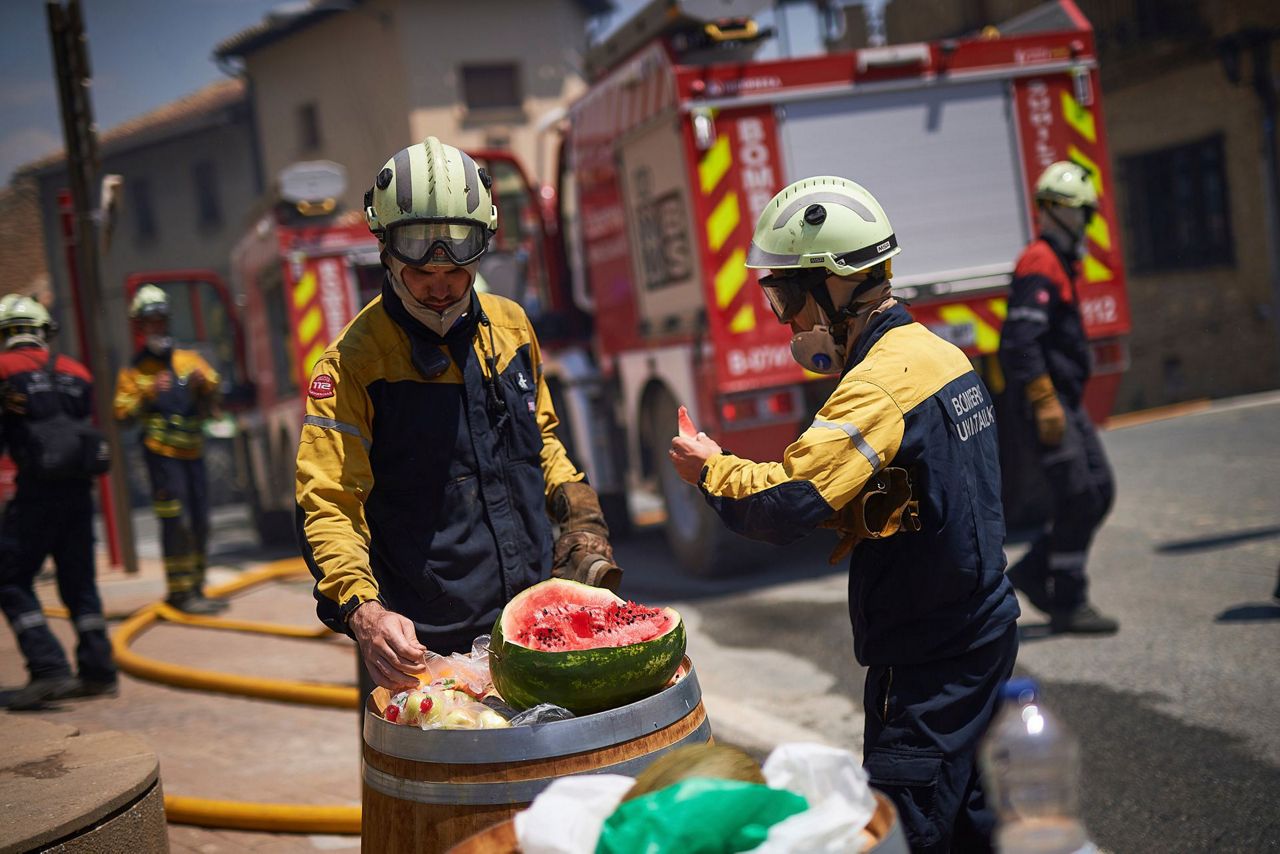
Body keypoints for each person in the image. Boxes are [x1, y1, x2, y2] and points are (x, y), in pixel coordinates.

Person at [669, 177, 1019, 852]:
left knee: (893, 831)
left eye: (788, 296)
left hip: (929, 661)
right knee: (973, 821)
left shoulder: (877, 385)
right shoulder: (940, 354)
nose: (786, 320)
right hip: (982, 633)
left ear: (837, 286)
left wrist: (710, 468)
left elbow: (786, 501)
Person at [297, 136, 615, 691]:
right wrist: (365, 614)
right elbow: (328, 501)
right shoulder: (353, 364)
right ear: (387, 252)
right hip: (423, 643)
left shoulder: (512, 327)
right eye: (423, 275)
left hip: (538, 619)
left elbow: (542, 444)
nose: (440, 289)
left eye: (455, 274)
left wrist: (582, 520)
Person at [997, 161, 1119, 634]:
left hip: (1064, 400)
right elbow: (1019, 342)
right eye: (1083, 213)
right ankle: (1069, 602)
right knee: (1079, 494)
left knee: (1098, 490)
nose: (1088, 224)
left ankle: (1032, 572)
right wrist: (1045, 399)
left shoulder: (1058, 262)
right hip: (1047, 403)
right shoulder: (1041, 263)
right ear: (1058, 212)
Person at [0, 294, 117, 709]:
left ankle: (48, 667)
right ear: (44, 332)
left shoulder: (3, 372)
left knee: (10, 577)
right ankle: (99, 671)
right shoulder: (76, 372)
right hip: (78, 493)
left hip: (36, 492)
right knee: (79, 582)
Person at [113, 284, 227, 615]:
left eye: (161, 320)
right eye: (150, 322)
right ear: (140, 326)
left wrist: (203, 383)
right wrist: (147, 391)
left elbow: (214, 385)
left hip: (193, 455)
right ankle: (180, 593)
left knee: (201, 522)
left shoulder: (187, 359)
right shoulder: (135, 371)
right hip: (162, 459)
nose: (157, 327)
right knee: (176, 524)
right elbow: (120, 413)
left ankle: (197, 587)